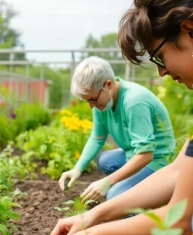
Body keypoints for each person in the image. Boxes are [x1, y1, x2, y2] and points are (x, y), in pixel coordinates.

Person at [47, 0, 193, 235]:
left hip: (152, 160)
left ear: (189, 30)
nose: (160, 71)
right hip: (160, 166)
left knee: (115, 193)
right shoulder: (101, 105)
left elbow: (179, 219)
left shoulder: (134, 100)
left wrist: (94, 230)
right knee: (107, 164)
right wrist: (89, 214)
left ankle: (139, 215)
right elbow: (180, 171)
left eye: (158, 56)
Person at [59, 56, 175, 201]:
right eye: (87, 101)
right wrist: (77, 168)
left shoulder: (134, 101)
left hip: (157, 161)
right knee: (105, 160)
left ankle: (154, 194)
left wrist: (108, 182)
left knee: (114, 197)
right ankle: (132, 186)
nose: (91, 105)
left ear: (108, 84)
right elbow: (97, 137)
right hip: (133, 154)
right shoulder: (101, 103)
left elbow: (146, 155)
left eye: (92, 99)